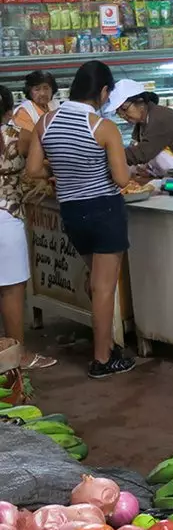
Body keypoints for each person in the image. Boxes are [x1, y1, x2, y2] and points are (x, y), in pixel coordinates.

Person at [26, 61, 135, 379]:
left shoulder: (46, 122)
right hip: (104, 210)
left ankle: (106, 345)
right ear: (102, 91)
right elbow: (122, 178)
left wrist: (58, 172)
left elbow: (33, 170)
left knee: (95, 282)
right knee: (104, 287)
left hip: (72, 212)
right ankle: (102, 359)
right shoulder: (103, 128)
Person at [0, 86, 55, 371]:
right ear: (10, 110)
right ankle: (16, 356)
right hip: (5, 216)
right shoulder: (18, 137)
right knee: (11, 290)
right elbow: (42, 164)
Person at [105, 81, 173, 177]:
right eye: (118, 112)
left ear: (141, 102)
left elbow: (143, 153)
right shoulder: (141, 123)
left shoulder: (161, 117)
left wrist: (109, 157)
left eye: (124, 109)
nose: (123, 115)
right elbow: (137, 150)